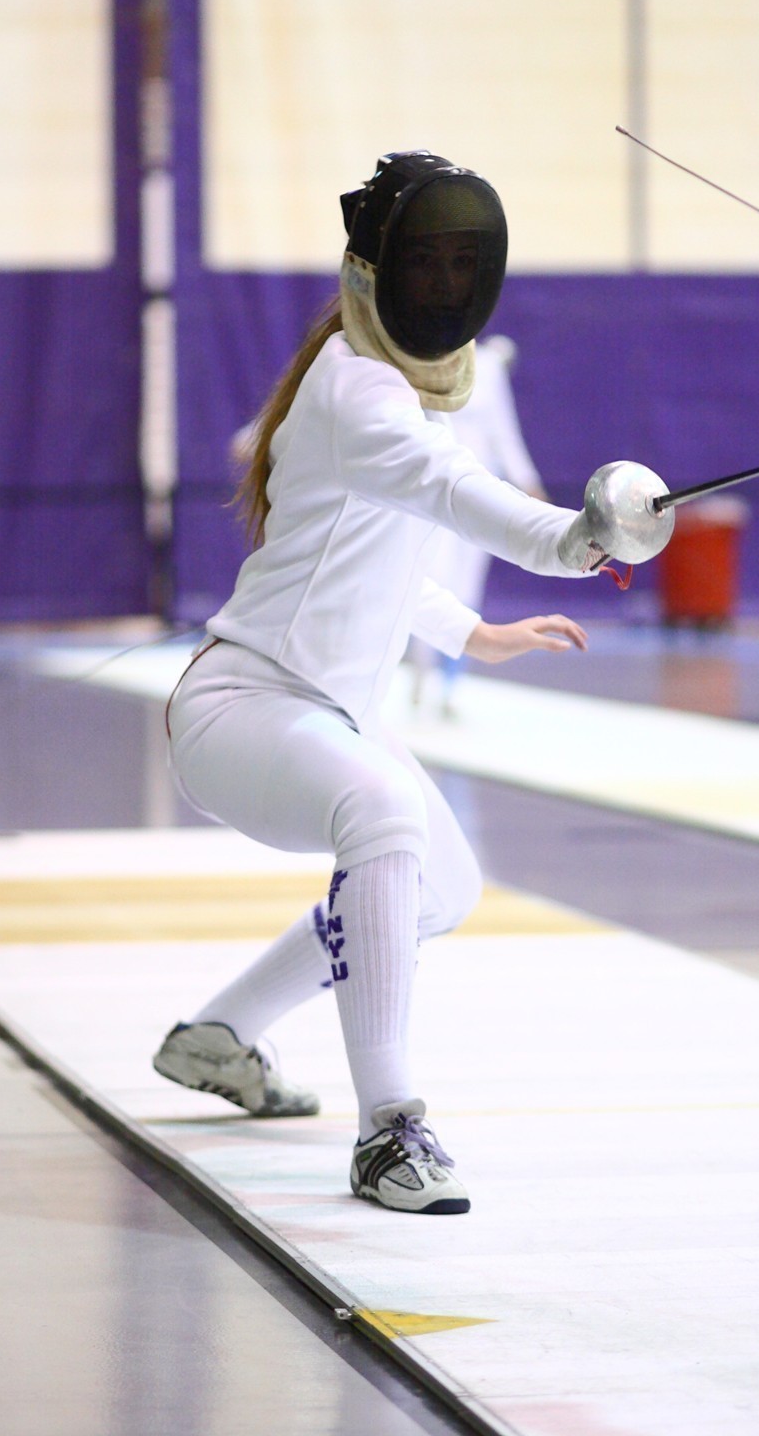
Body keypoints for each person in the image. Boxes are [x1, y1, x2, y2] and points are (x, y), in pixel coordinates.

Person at [154, 150, 635, 1215]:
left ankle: (217, 1034)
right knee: (379, 812)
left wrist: (472, 631)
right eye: (426, 263)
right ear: (373, 273)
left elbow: (384, 546)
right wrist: (575, 537)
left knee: (438, 886)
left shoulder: (398, 389)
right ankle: (388, 1131)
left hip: (321, 716)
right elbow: (446, 489)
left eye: (464, 263)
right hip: (243, 708)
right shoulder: (358, 388)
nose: (445, 285)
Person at [409, 331, 548, 715]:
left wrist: (527, 482)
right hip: (431, 488)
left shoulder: (486, 367)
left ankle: (451, 686)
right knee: (428, 576)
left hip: (479, 494)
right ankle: (420, 675)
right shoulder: (415, 354)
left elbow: (503, 431)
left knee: (465, 585)